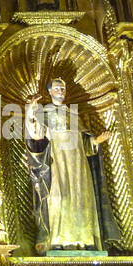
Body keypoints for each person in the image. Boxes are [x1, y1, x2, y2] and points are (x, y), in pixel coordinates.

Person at [25, 78, 111, 253]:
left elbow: (84, 142)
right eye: (57, 88)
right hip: (57, 159)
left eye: (62, 88)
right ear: (50, 92)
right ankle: (57, 239)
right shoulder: (45, 112)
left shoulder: (73, 114)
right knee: (59, 197)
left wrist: (96, 141)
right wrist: (32, 109)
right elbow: (36, 135)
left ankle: (85, 239)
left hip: (78, 163)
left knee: (81, 198)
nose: (61, 91)